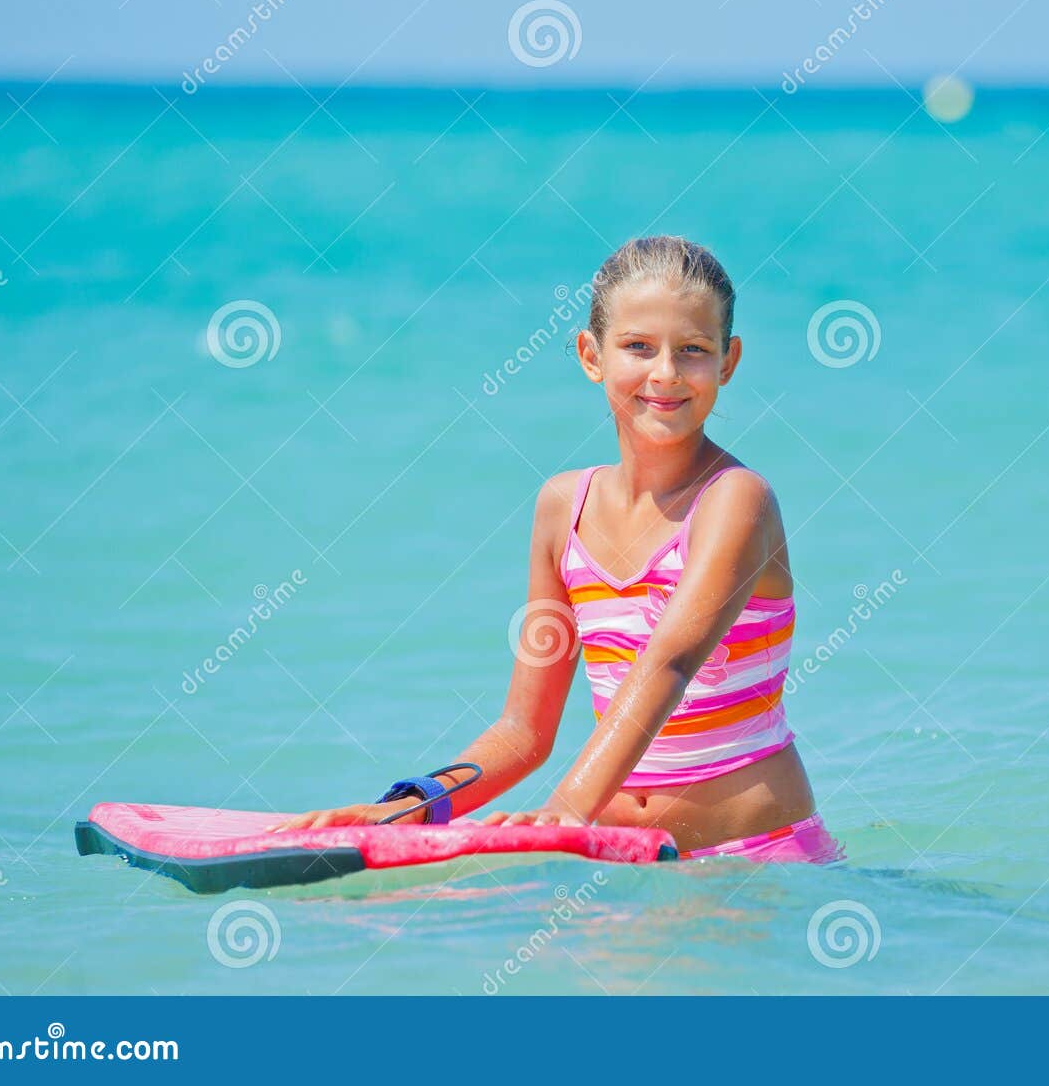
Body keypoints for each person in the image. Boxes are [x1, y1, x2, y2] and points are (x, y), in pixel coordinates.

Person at [268, 236, 842, 862]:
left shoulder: (737, 501)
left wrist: (564, 812)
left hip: (758, 861)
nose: (666, 373)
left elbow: (668, 666)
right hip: (631, 866)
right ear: (590, 355)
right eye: (638, 347)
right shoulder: (561, 510)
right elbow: (523, 732)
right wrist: (406, 808)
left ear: (728, 362)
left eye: (694, 351)